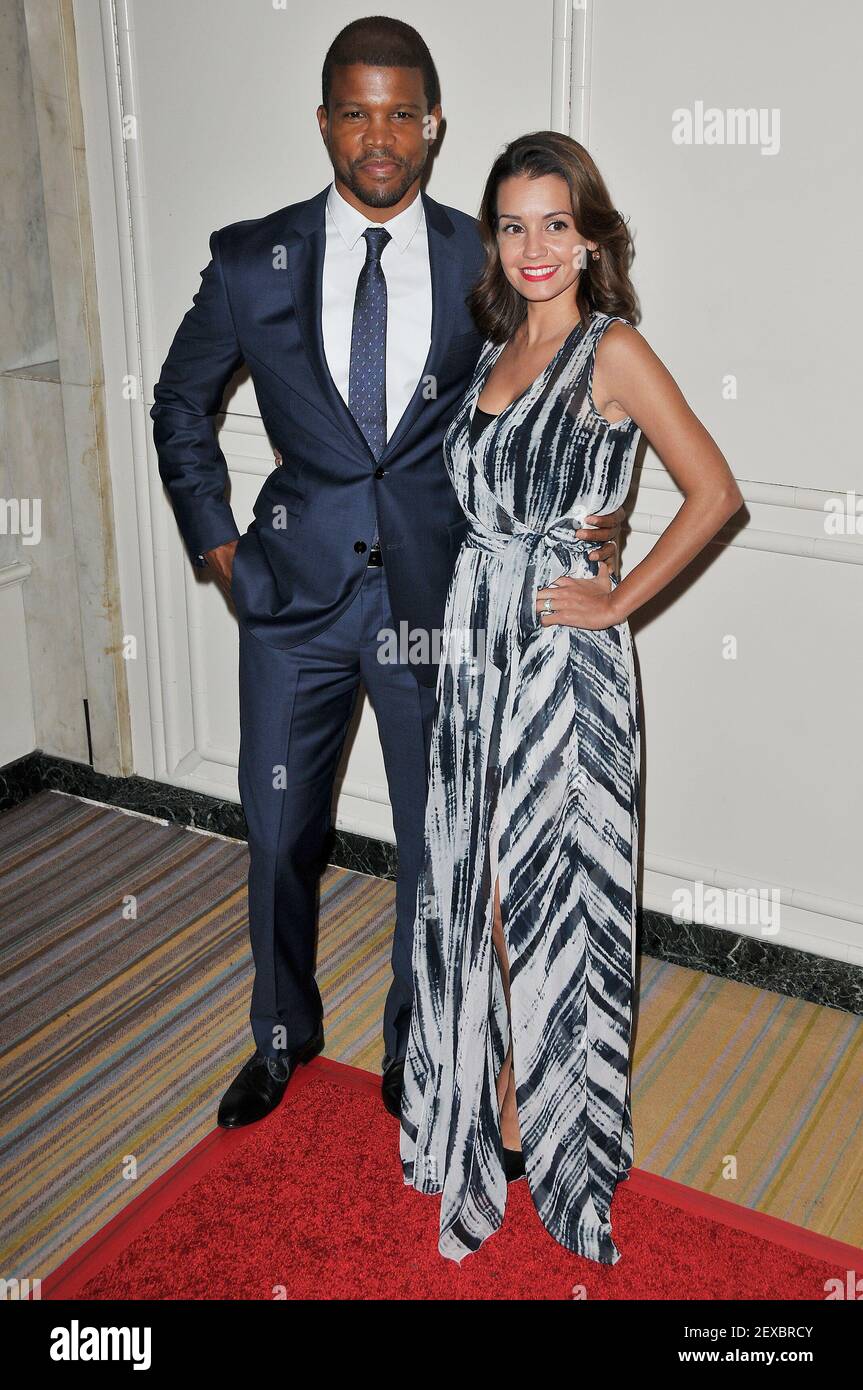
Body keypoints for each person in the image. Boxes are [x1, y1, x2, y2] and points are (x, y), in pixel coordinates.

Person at [149, 18, 625, 1128]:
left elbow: (562, 374)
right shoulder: (246, 256)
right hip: (288, 602)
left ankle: (420, 1049)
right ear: (324, 120)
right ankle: (282, 1036)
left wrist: (588, 515)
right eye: (355, 112)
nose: (379, 136)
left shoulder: (481, 254)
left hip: (435, 599)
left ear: (433, 123)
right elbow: (180, 401)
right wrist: (220, 544)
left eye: (401, 113)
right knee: (277, 835)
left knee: (433, 843)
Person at [400, 130, 743, 1265]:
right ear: (492, 239)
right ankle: (498, 1080)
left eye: (556, 222)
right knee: (486, 889)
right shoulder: (495, 343)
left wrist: (615, 598)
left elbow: (714, 491)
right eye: (512, 224)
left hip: (557, 668)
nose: (533, 245)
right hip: (473, 655)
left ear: (590, 235)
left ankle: (552, 1114)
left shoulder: (613, 351)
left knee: (553, 895)